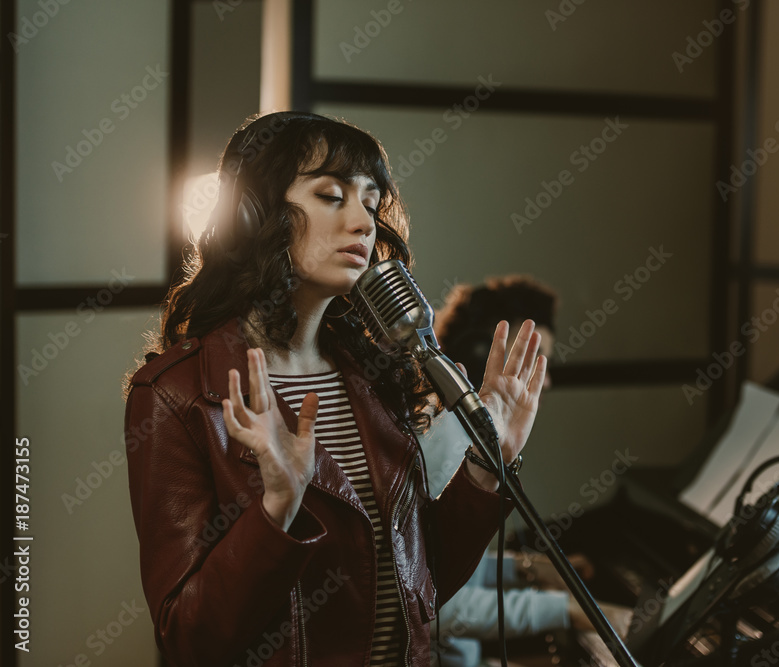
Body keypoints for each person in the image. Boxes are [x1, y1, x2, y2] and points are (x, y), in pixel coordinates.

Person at [122, 111, 548, 667]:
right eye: (331, 196)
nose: (363, 223)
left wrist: (487, 469)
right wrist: (277, 510)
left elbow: (418, 587)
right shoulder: (176, 396)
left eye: (371, 204)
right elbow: (189, 638)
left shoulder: (374, 375)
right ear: (254, 214)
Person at [421, 277, 632, 667]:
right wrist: (567, 609)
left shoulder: (451, 426)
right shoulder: (441, 436)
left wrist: (525, 569)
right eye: (535, 362)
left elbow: (438, 561)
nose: (546, 381)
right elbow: (432, 604)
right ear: (479, 352)